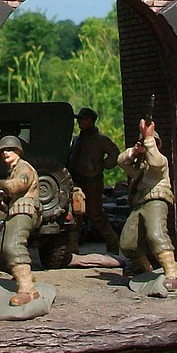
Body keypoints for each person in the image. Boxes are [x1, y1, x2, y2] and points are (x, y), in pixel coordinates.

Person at [117, 118, 177, 292]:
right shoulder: (140, 167)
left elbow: (155, 162)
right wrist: (134, 151)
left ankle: (172, 273)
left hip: (156, 200)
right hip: (140, 203)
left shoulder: (160, 162)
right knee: (127, 243)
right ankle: (146, 269)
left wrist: (148, 139)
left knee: (156, 234)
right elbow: (121, 161)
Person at [0, 135, 42, 305]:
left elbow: (20, 184)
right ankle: (24, 273)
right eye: (3, 151)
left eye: (10, 150)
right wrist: (1, 197)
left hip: (25, 210)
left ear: (18, 151)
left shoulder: (24, 167)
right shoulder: (12, 171)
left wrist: (2, 184)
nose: (6, 154)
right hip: (14, 211)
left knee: (13, 246)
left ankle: (28, 290)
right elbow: (12, 190)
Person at [67, 108, 120, 254]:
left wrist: (100, 165)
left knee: (95, 214)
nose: (79, 122)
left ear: (90, 120)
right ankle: (72, 246)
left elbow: (115, 156)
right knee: (76, 213)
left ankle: (112, 242)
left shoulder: (100, 140)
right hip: (76, 181)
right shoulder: (77, 139)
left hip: (92, 182)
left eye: (82, 119)